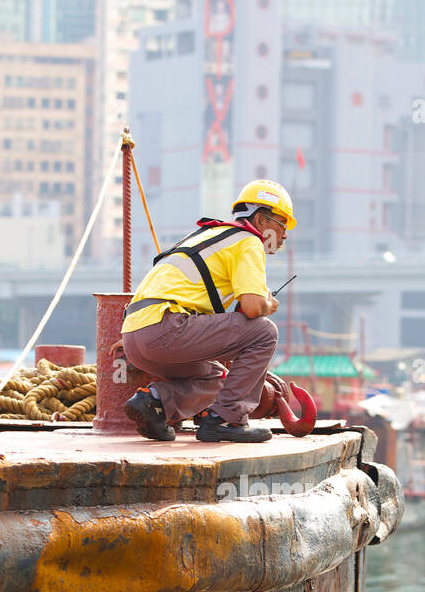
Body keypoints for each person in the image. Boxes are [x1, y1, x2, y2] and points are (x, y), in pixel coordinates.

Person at [122, 180, 296, 443]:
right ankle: (227, 419)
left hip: (136, 338)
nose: (283, 235)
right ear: (260, 220)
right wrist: (268, 305)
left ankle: (153, 401)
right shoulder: (248, 240)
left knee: (217, 378)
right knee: (264, 332)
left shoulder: (208, 237)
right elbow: (252, 308)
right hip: (166, 330)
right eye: (282, 225)